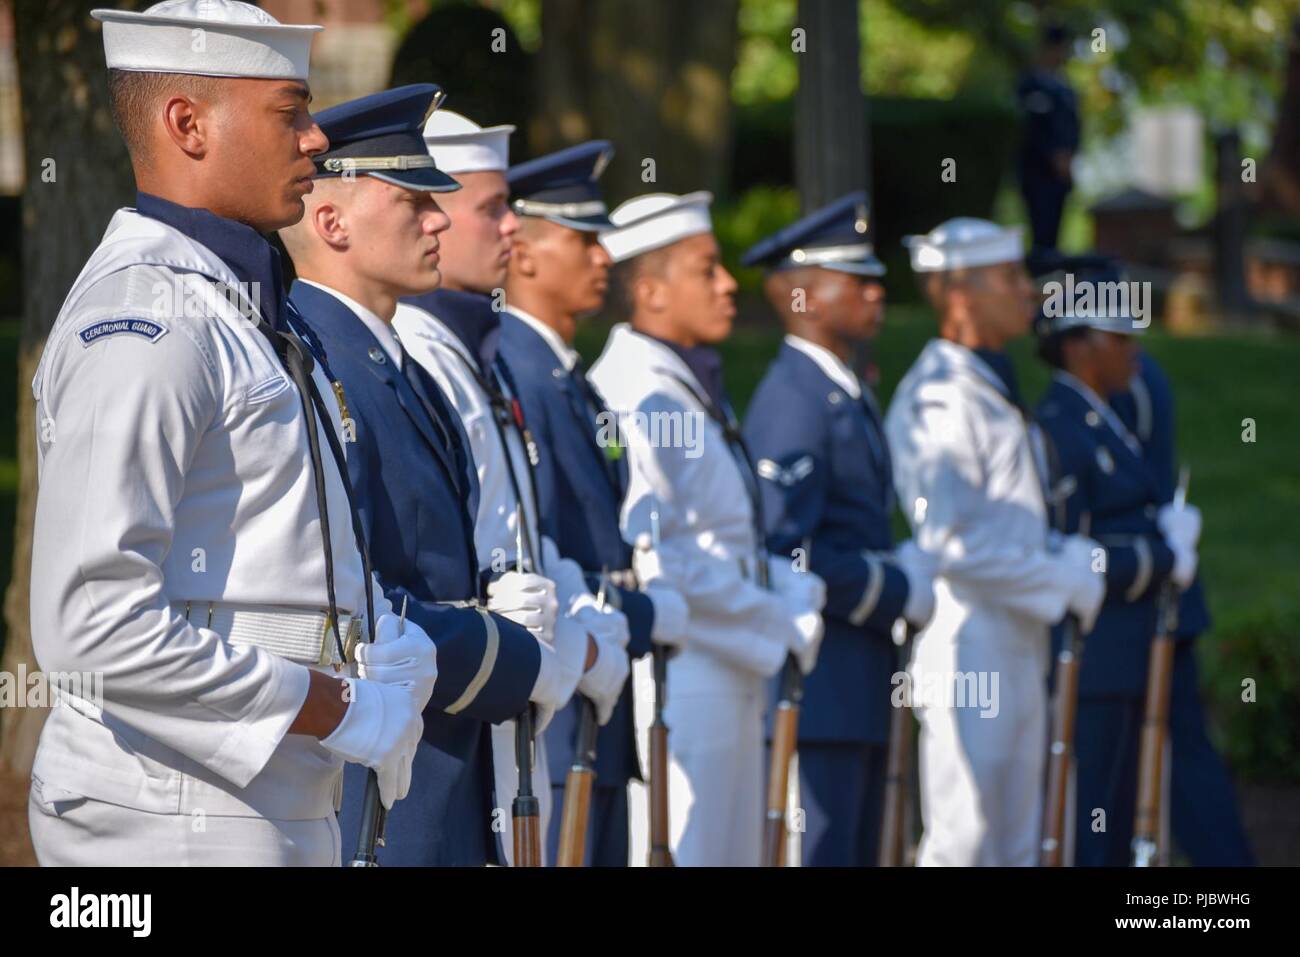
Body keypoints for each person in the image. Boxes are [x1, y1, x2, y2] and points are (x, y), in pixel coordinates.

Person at [27, 0, 436, 866]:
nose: (318, 139)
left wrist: (379, 646)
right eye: (290, 112)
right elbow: (91, 625)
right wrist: (333, 705)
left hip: (257, 792)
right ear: (188, 124)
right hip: (174, 810)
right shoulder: (146, 314)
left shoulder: (240, 300)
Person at [279, 84, 563, 866]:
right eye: (413, 202)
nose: (439, 218)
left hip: (437, 773)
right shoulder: (318, 362)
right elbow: (341, 585)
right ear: (331, 221)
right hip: (380, 789)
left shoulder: (388, 358)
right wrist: (501, 649)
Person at [394, 110, 630, 865]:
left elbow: (527, 532)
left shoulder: (476, 353)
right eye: (491, 209)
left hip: (511, 712)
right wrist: (569, 656)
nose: (512, 230)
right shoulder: (422, 355)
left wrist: (584, 622)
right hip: (450, 724)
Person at [589, 192, 826, 866]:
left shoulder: (686, 378)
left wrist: (782, 587)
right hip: (684, 680)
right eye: (707, 268)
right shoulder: (636, 391)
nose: (729, 285)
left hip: (727, 669)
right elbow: (658, 559)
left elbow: (718, 538)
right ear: (652, 291)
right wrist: (774, 616)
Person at [883, 217, 1103, 866]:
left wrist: (1057, 563)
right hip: (969, 647)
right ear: (961, 296)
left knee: (1019, 840)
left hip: (1014, 639)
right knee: (967, 837)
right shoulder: (939, 400)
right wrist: (1061, 578)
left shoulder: (989, 385)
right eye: (1010, 278)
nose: (1027, 291)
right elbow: (955, 543)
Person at [499, 141, 689, 866]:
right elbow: (541, 538)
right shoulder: (521, 369)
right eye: (582, 239)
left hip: (597, 697)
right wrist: (635, 612)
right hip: (564, 691)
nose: (604, 256)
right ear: (525, 253)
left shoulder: (563, 373)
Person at [741, 191, 936, 866]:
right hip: (819, 685)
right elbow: (783, 549)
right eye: (858, 280)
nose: (878, 292)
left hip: (857, 679)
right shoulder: (794, 401)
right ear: (805, 298)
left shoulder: (837, 390)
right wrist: (891, 586)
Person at [1016, 23, 1080, 254]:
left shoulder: (1066, 88)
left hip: (1059, 175)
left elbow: (1072, 127)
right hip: (1037, 171)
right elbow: (1030, 129)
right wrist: (1053, 154)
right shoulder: (1029, 84)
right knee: (1040, 231)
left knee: (1054, 232)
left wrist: (1069, 156)